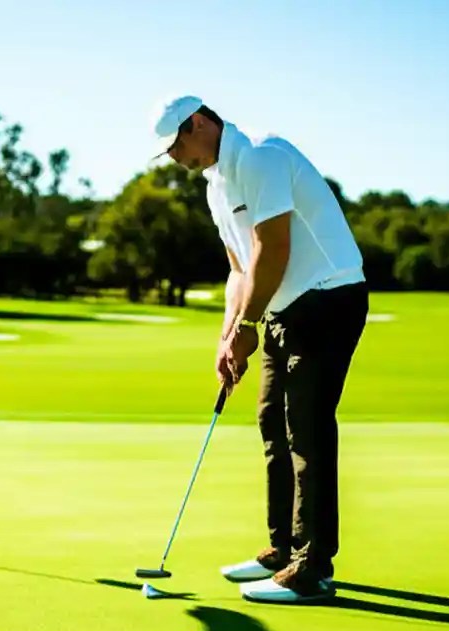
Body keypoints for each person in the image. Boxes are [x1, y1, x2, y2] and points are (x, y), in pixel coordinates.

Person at [149, 95, 368, 603]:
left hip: (329, 295)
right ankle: (285, 549)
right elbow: (240, 268)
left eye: (178, 144)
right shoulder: (215, 187)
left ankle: (313, 568)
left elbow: (275, 246)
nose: (176, 159)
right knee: (272, 419)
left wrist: (249, 322)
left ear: (199, 122)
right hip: (284, 305)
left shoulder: (262, 156)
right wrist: (230, 334)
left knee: (307, 427)